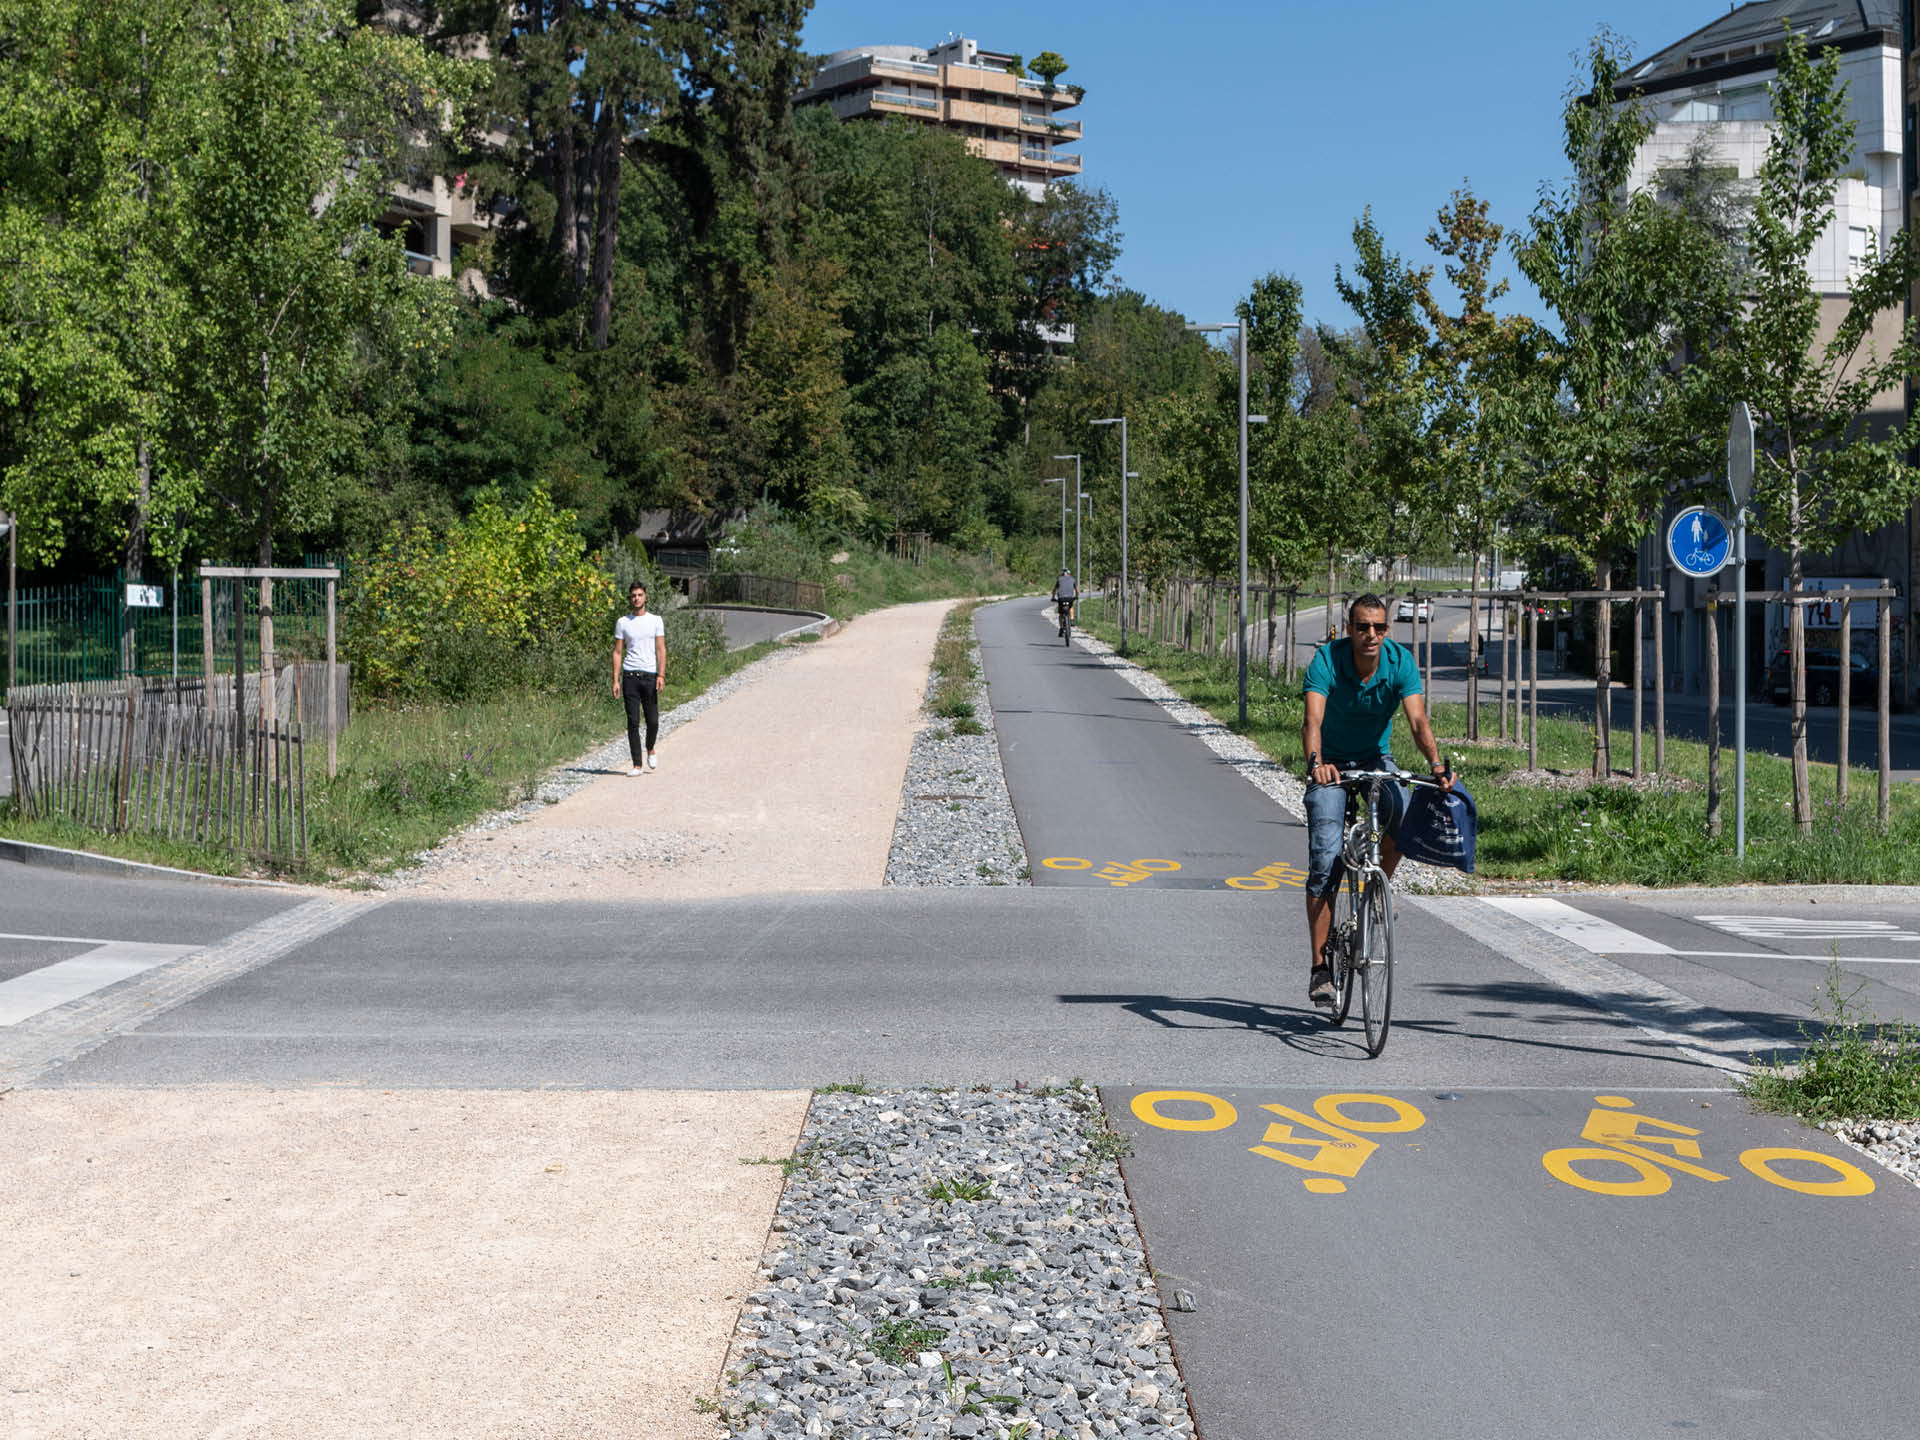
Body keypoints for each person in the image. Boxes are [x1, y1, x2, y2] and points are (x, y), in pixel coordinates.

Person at [1300, 593, 1451, 1007]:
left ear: (1388, 630)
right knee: (1325, 856)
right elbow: (1312, 720)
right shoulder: (1327, 661)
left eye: (1379, 628)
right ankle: (1319, 969)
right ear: (1349, 629)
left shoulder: (1399, 662)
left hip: (1373, 758)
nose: (1371, 635)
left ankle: (1373, 893)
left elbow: (1417, 721)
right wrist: (1316, 764)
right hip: (1330, 763)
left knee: (1402, 811)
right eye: (1363, 627)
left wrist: (1436, 764)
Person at [613, 581, 667, 776]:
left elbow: (661, 649)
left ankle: (650, 748)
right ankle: (637, 764)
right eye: (633, 595)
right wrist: (615, 679)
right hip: (630, 677)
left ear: (645, 597)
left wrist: (661, 674)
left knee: (652, 720)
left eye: (639, 595)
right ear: (630, 599)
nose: (636, 598)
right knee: (633, 721)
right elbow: (618, 652)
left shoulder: (655, 620)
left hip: (650, 675)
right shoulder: (623, 622)